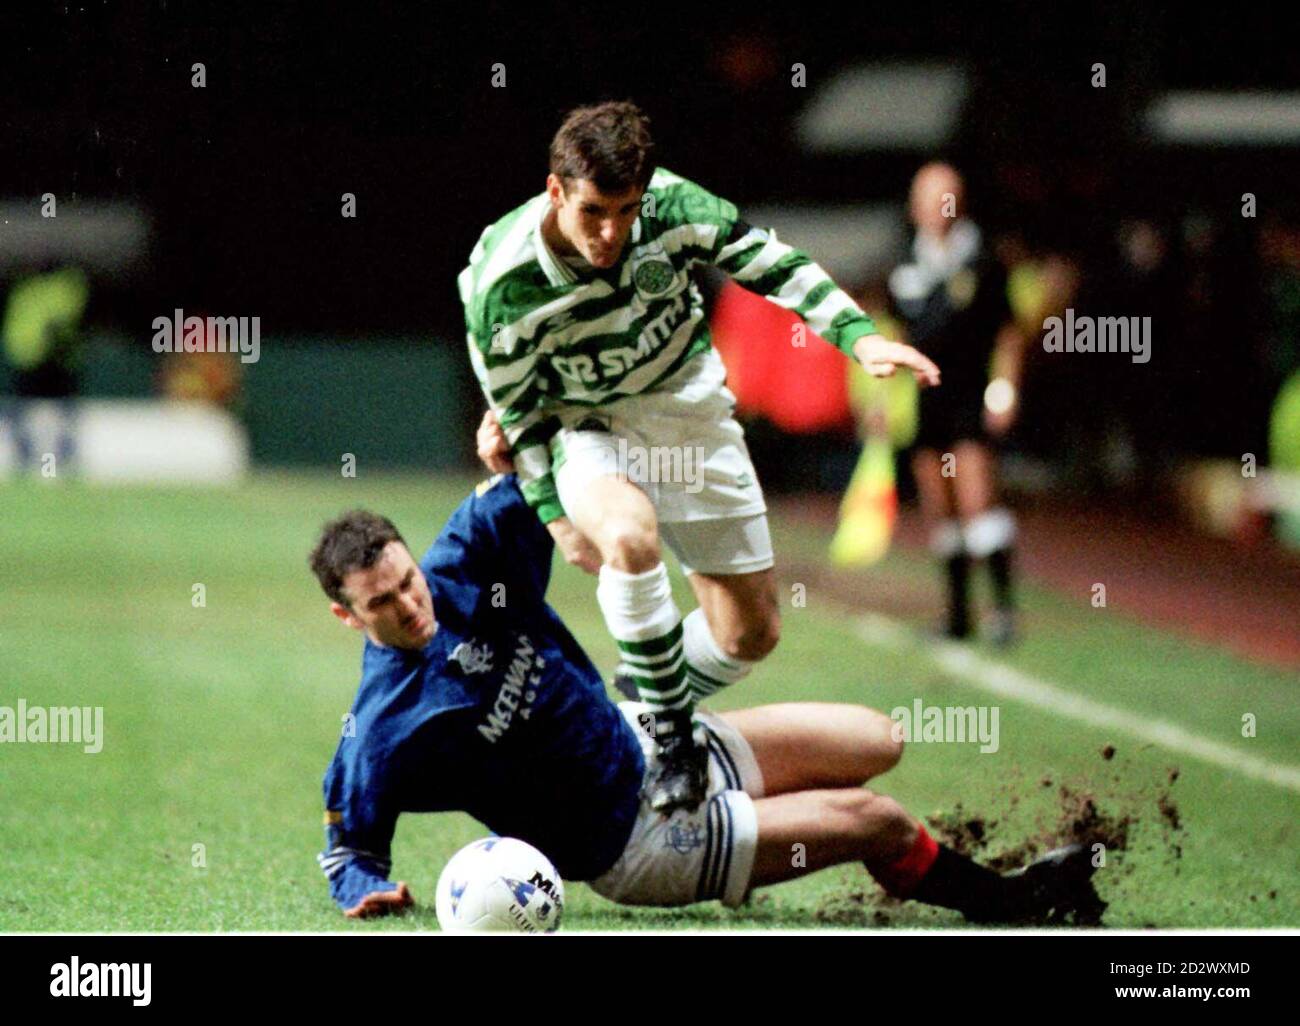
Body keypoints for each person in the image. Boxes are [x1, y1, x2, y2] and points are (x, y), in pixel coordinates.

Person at [309, 473, 1104, 925]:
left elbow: (541, 468)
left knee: (879, 739)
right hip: (635, 843)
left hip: (654, 741)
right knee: (880, 819)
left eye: (407, 581)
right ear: (346, 616)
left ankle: (902, 869)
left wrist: (512, 437)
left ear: (416, 560)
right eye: (382, 603)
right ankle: (1007, 903)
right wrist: (366, 886)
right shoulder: (385, 729)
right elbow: (347, 843)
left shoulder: (463, 562)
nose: (412, 606)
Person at [459, 100, 941, 812]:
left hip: (691, 415)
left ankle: (641, 693)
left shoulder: (672, 208)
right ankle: (674, 740)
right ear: (555, 190)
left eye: (626, 211)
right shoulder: (500, 283)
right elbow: (517, 415)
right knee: (628, 539)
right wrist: (558, 517)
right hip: (592, 426)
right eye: (594, 211)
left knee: (750, 635)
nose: (612, 233)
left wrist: (857, 336)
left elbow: (771, 264)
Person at [886, 163, 1029, 643]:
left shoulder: (984, 260)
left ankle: (1004, 612)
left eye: (945, 196)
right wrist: (884, 398)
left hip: (971, 397)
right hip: (928, 402)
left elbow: (1010, 333)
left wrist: (1004, 391)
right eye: (926, 196)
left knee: (979, 503)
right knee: (942, 512)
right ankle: (957, 616)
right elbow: (893, 333)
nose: (935, 207)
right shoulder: (905, 261)